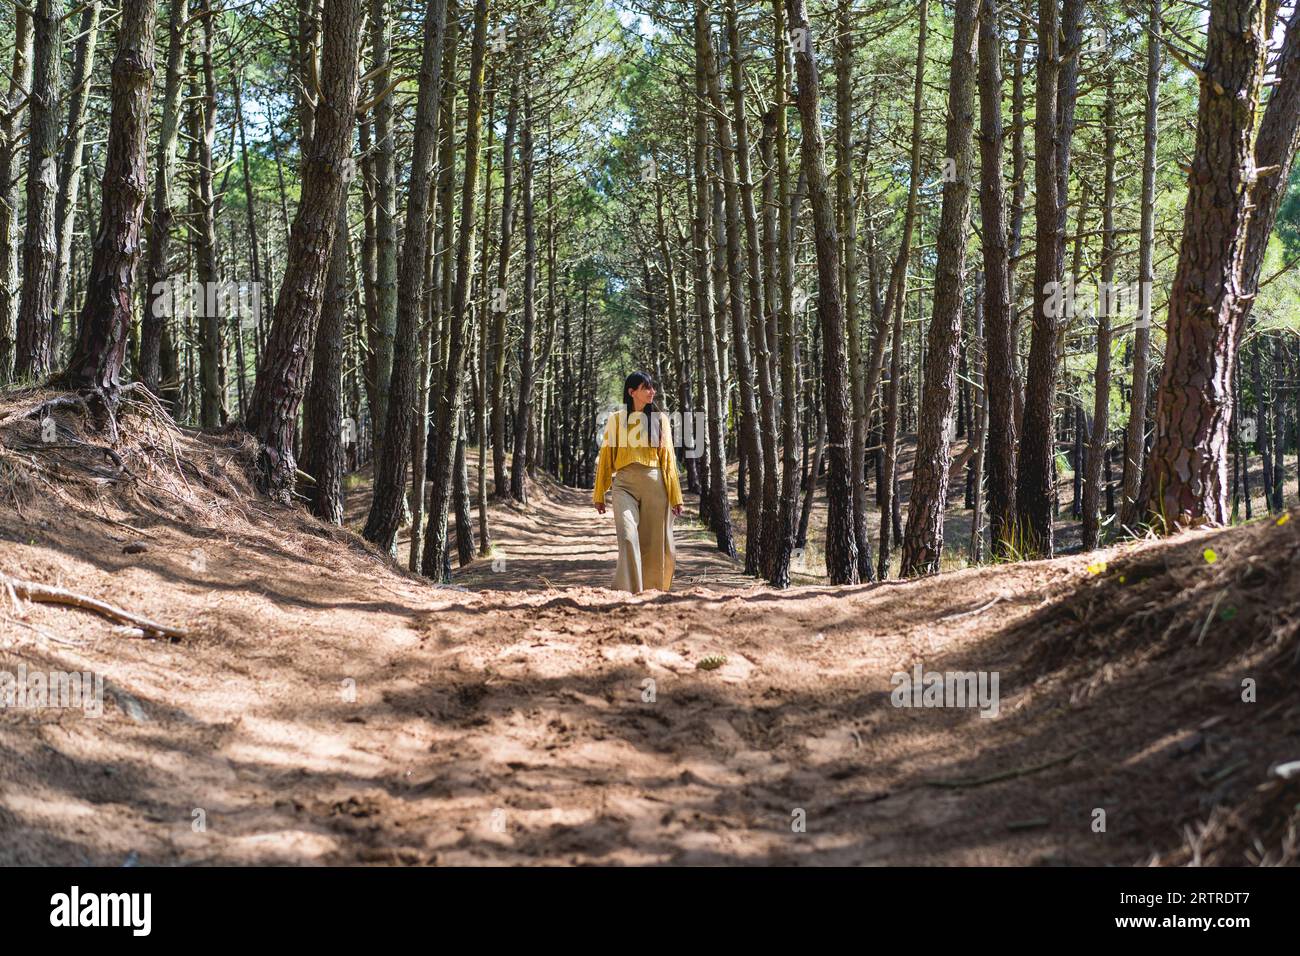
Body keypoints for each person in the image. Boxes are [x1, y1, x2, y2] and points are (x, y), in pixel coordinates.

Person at [593, 372, 684, 592]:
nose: (652, 391)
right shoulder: (616, 420)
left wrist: (676, 496)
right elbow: (606, 457)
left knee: (654, 547)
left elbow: (669, 459)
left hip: (656, 486)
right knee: (627, 538)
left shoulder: (659, 420)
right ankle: (628, 591)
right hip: (624, 485)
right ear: (632, 392)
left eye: (652, 388)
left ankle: (652, 593)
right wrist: (599, 493)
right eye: (646, 388)